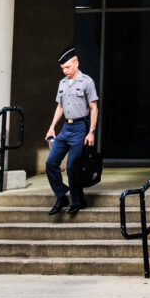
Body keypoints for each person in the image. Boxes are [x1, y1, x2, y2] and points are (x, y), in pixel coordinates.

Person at [45, 46, 99, 218]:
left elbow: (94, 107)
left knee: (72, 166)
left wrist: (91, 131)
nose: (65, 70)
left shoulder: (86, 82)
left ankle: (77, 201)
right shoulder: (62, 83)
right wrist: (52, 127)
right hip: (65, 128)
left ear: (76, 64)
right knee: (51, 162)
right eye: (62, 68)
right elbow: (60, 107)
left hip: (80, 128)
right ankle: (61, 196)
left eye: (67, 67)